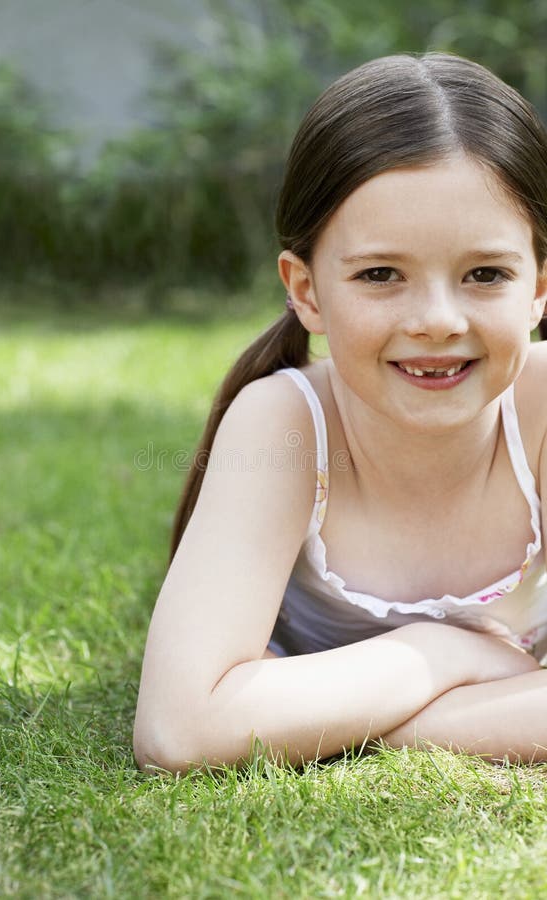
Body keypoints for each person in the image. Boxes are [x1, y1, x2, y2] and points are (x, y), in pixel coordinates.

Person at [134, 51, 547, 774]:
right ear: (308, 292)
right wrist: (441, 653)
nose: (437, 320)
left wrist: (368, 729)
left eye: (485, 274)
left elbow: (213, 723)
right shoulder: (284, 424)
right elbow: (181, 730)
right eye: (381, 274)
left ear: (538, 288)